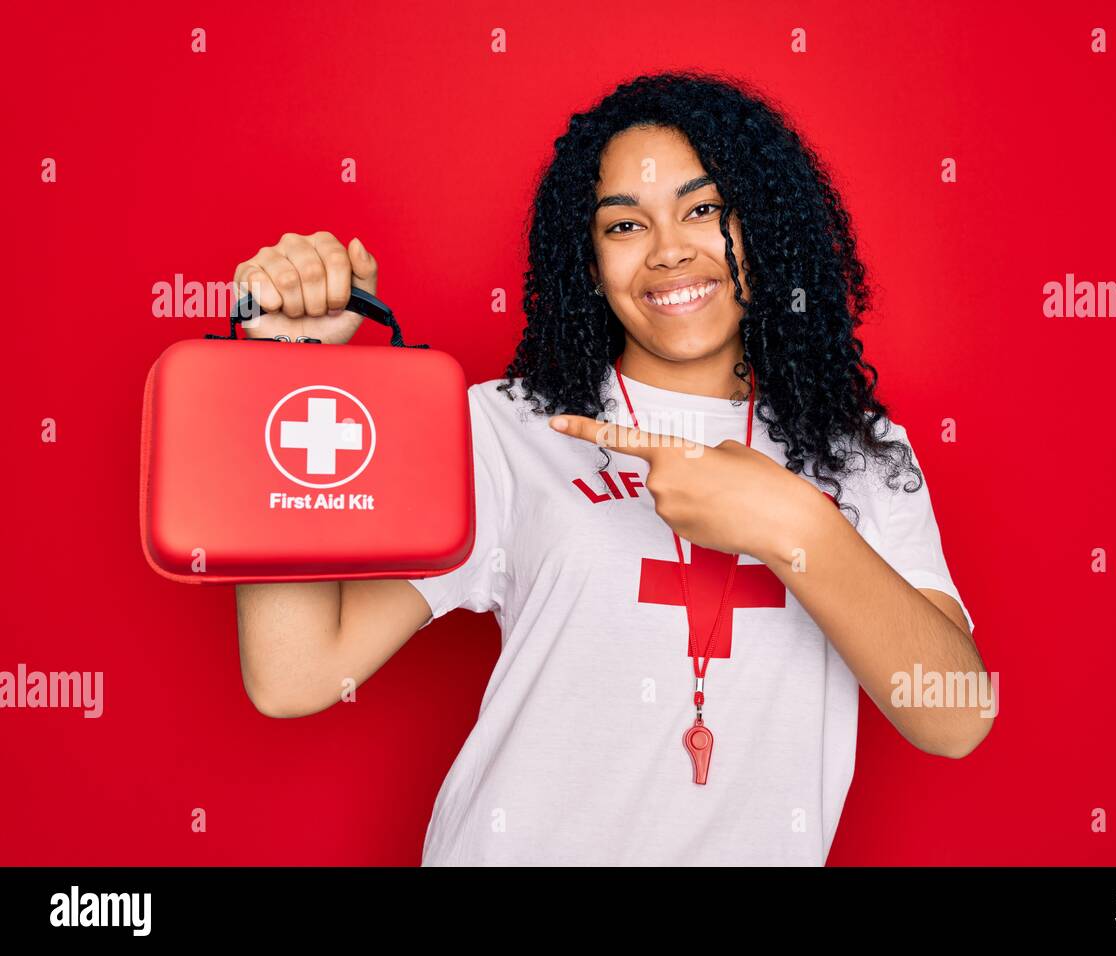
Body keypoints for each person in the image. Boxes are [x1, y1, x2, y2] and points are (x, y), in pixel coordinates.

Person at [233, 71, 990, 866]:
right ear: (589, 265)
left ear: (762, 229)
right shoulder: (505, 429)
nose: (669, 250)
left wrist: (794, 522)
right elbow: (296, 675)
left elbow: (956, 716)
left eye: (703, 210)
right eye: (624, 226)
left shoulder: (857, 453)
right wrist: (289, 372)